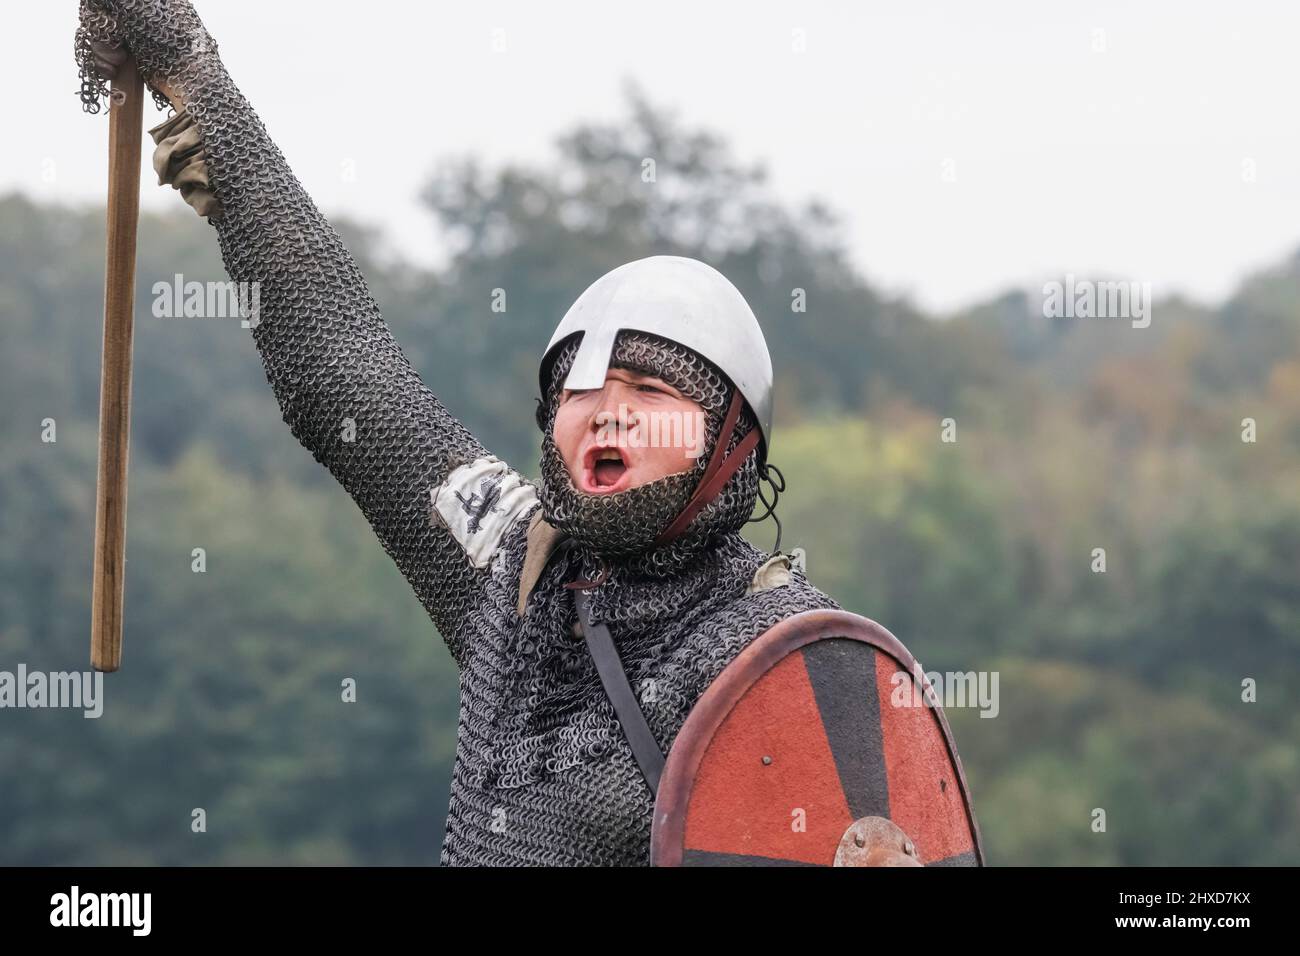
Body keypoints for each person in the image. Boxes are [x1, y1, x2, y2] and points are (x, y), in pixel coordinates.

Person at [76, 0, 841, 866]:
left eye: (650, 388)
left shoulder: (787, 654)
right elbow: (347, 377)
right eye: (582, 391)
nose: (609, 409)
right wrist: (195, 77)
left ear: (732, 443)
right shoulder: (514, 573)